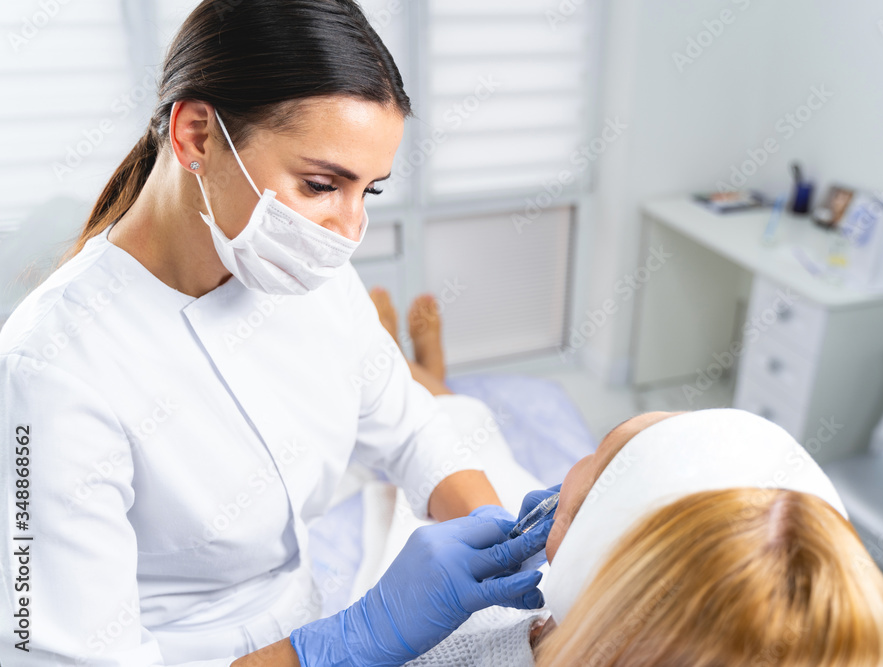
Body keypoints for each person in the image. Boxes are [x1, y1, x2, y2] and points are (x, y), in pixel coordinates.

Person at [0, 1, 552, 665]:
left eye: (368, 192)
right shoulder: (49, 368)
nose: (348, 232)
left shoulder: (301, 269)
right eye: (322, 183)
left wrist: (498, 540)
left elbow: (410, 429)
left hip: (304, 621)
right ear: (197, 136)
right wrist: (353, 638)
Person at [376, 409, 883, 666]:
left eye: (591, 462)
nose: (574, 469)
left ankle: (433, 376)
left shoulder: (439, 633)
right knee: (478, 434)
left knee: (466, 438)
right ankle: (436, 372)